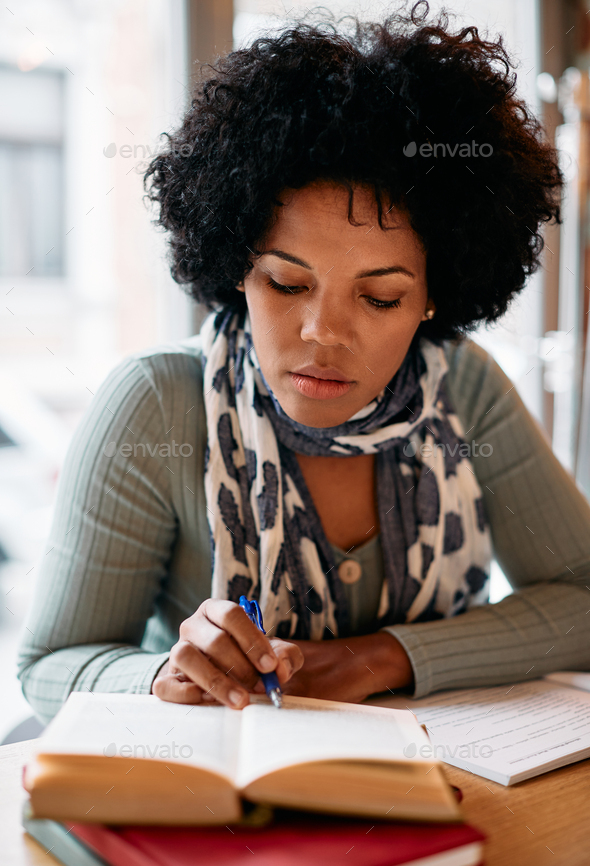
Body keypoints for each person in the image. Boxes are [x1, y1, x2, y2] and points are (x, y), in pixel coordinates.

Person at [17, 4, 590, 725]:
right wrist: (164, 673)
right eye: (286, 284)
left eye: (380, 298)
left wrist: (380, 656)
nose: (323, 333)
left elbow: (585, 598)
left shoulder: (465, 386)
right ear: (235, 268)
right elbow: (50, 664)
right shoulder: (157, 403)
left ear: (434, 300)